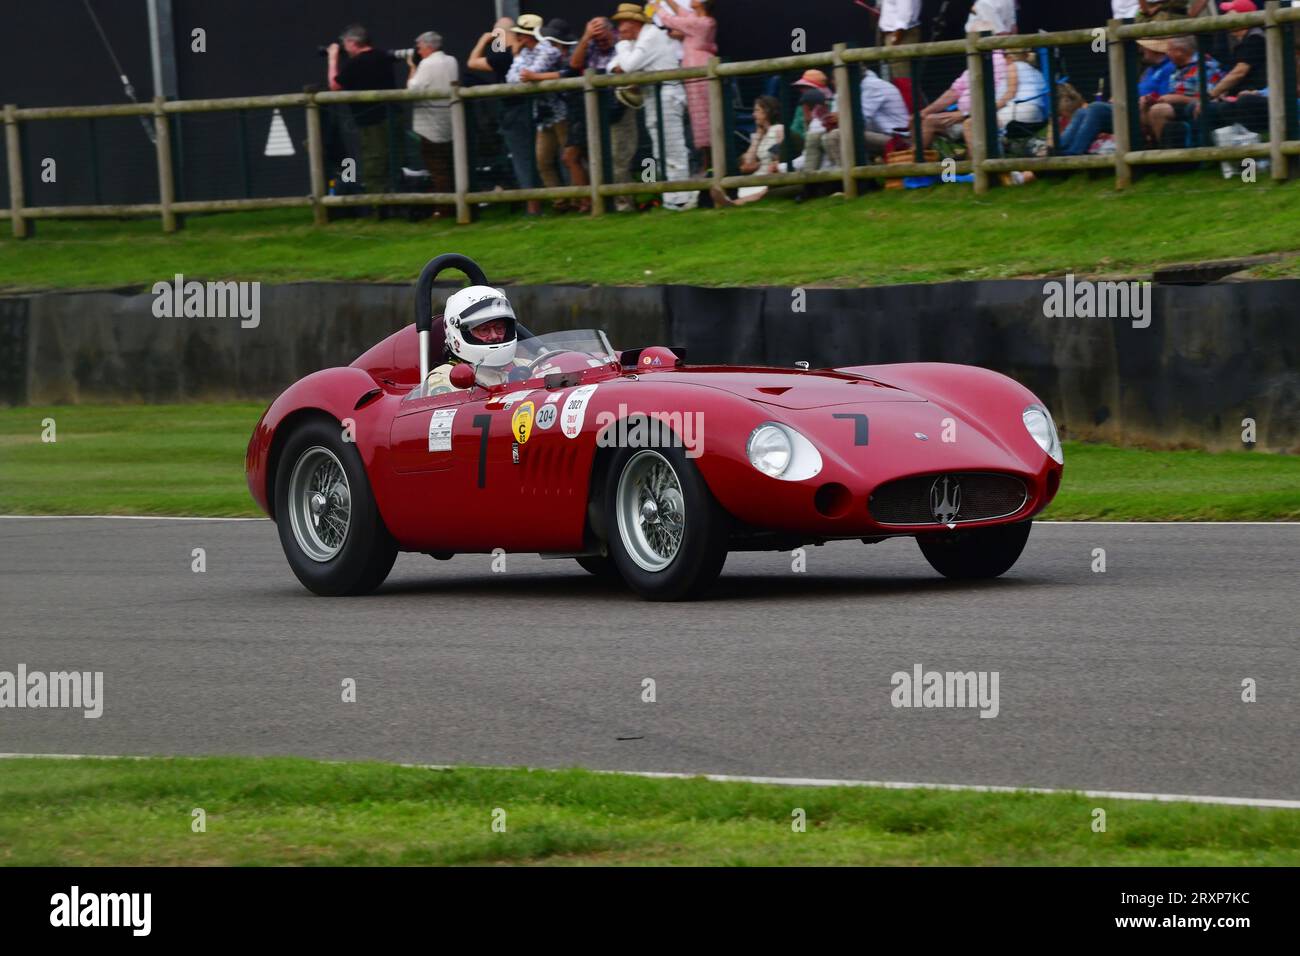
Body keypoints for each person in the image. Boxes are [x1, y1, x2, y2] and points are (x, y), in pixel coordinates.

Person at [610, 3, 697, 210]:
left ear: (634, 22)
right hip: (653, 97)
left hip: (666, 95)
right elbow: (612, 66)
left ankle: (681, 198)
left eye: (623, 22)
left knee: (673, 149)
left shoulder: (650, 36)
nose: (620, 28)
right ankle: (671, 199)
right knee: (660, 151)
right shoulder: (637, 40)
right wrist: (623, 57)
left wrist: (621, 47)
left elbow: (628, 66)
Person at [467, 18, 540, 210]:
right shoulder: (517, 52)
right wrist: (499, 36)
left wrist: (484, 41)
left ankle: (533, 206)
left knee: (522, 157)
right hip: (528, 109)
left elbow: (472, 62)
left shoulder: (505, 56)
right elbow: (498, 52)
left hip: (515, 111)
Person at [509, 15, 576, 213]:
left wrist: (528, 74)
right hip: (543, 114)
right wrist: (524, 71)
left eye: (520, 34)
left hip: (561, 111)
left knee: (570, 158)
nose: (517, 37)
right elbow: (512, 78)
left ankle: (579, 200)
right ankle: (560, 202)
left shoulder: (548, 50)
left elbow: (535, 72)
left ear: (528, 35)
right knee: (543, 160)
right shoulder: (524, 53)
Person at [327, 24, 397, 195]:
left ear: (352, 42)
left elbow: (334, 86)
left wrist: (333, 59)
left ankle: (376, 203)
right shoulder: (382, 56)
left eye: (345, 44)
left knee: (373, 162)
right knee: (392, 160)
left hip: (371, 121)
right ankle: (394, 198)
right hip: (393, 116)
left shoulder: (355, 63)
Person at [423, 287, 519, 396]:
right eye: (484, 330)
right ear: (462, 333)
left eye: (499, 328)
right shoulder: (446, 377)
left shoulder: (528, 364)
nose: (494, 336)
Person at [658, 1, 718, 173]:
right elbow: (680, 11)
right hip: (693, 72)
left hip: (700, 72)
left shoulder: (704, 22)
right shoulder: (697, 19)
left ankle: (711, 164)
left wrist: (656, 7)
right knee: (698, 119)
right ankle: (708, 164)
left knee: (705, 117)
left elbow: (672, 20)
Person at [407, 31, 458, 219]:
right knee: (450, 167)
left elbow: (413, 89)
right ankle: (455, 204)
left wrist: (412, 68)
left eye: (419, 48)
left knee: (437, 170)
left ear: (428, 47)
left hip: (429, 125)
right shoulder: (452, 61)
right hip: (450, 122)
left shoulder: (426, 64)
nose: (418, 52)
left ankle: (443, 210)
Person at [1146, 35, 1224, 143]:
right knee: (1142, 106)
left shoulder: (1205, 65)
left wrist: (1175, 98)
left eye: (1169, 50)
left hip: (1194, 107)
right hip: (1176, 107)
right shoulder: (1177, 67)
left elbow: (1210, 97)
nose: (1167, 54)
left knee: (1158, 111)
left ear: (1180, 52)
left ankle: (1165, 153)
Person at [710, 96, 784, 206]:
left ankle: (731, 203)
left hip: (771, 175)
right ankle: (729, 201)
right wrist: (758, 135)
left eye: (757, 110)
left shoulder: (779, 129)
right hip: (757, 176)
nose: (753, 115)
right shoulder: (760, 134)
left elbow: (781, 155)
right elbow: (748, 162)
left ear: (767, 111)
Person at [1209, 2, 1267, 99]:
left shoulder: (1255, 38)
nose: (1226, 17)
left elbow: (1239, 72)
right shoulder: (1241, 41)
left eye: (1230, 14)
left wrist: (1212, 94)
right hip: (1239, 95)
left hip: (1253, 95)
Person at [860, 67, 912, 158]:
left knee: (837, 135)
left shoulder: (870, 85)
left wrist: (838, 119)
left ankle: (843, 171)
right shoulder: (866, 84)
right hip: (887, 135)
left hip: (899, 139)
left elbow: (859, 120)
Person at [877, 0, 923, 79]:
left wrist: (896, 38)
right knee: (894, 73)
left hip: (901, 35)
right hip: (891, 33)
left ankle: (905, 91)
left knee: (901, 73)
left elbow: (904, 13)